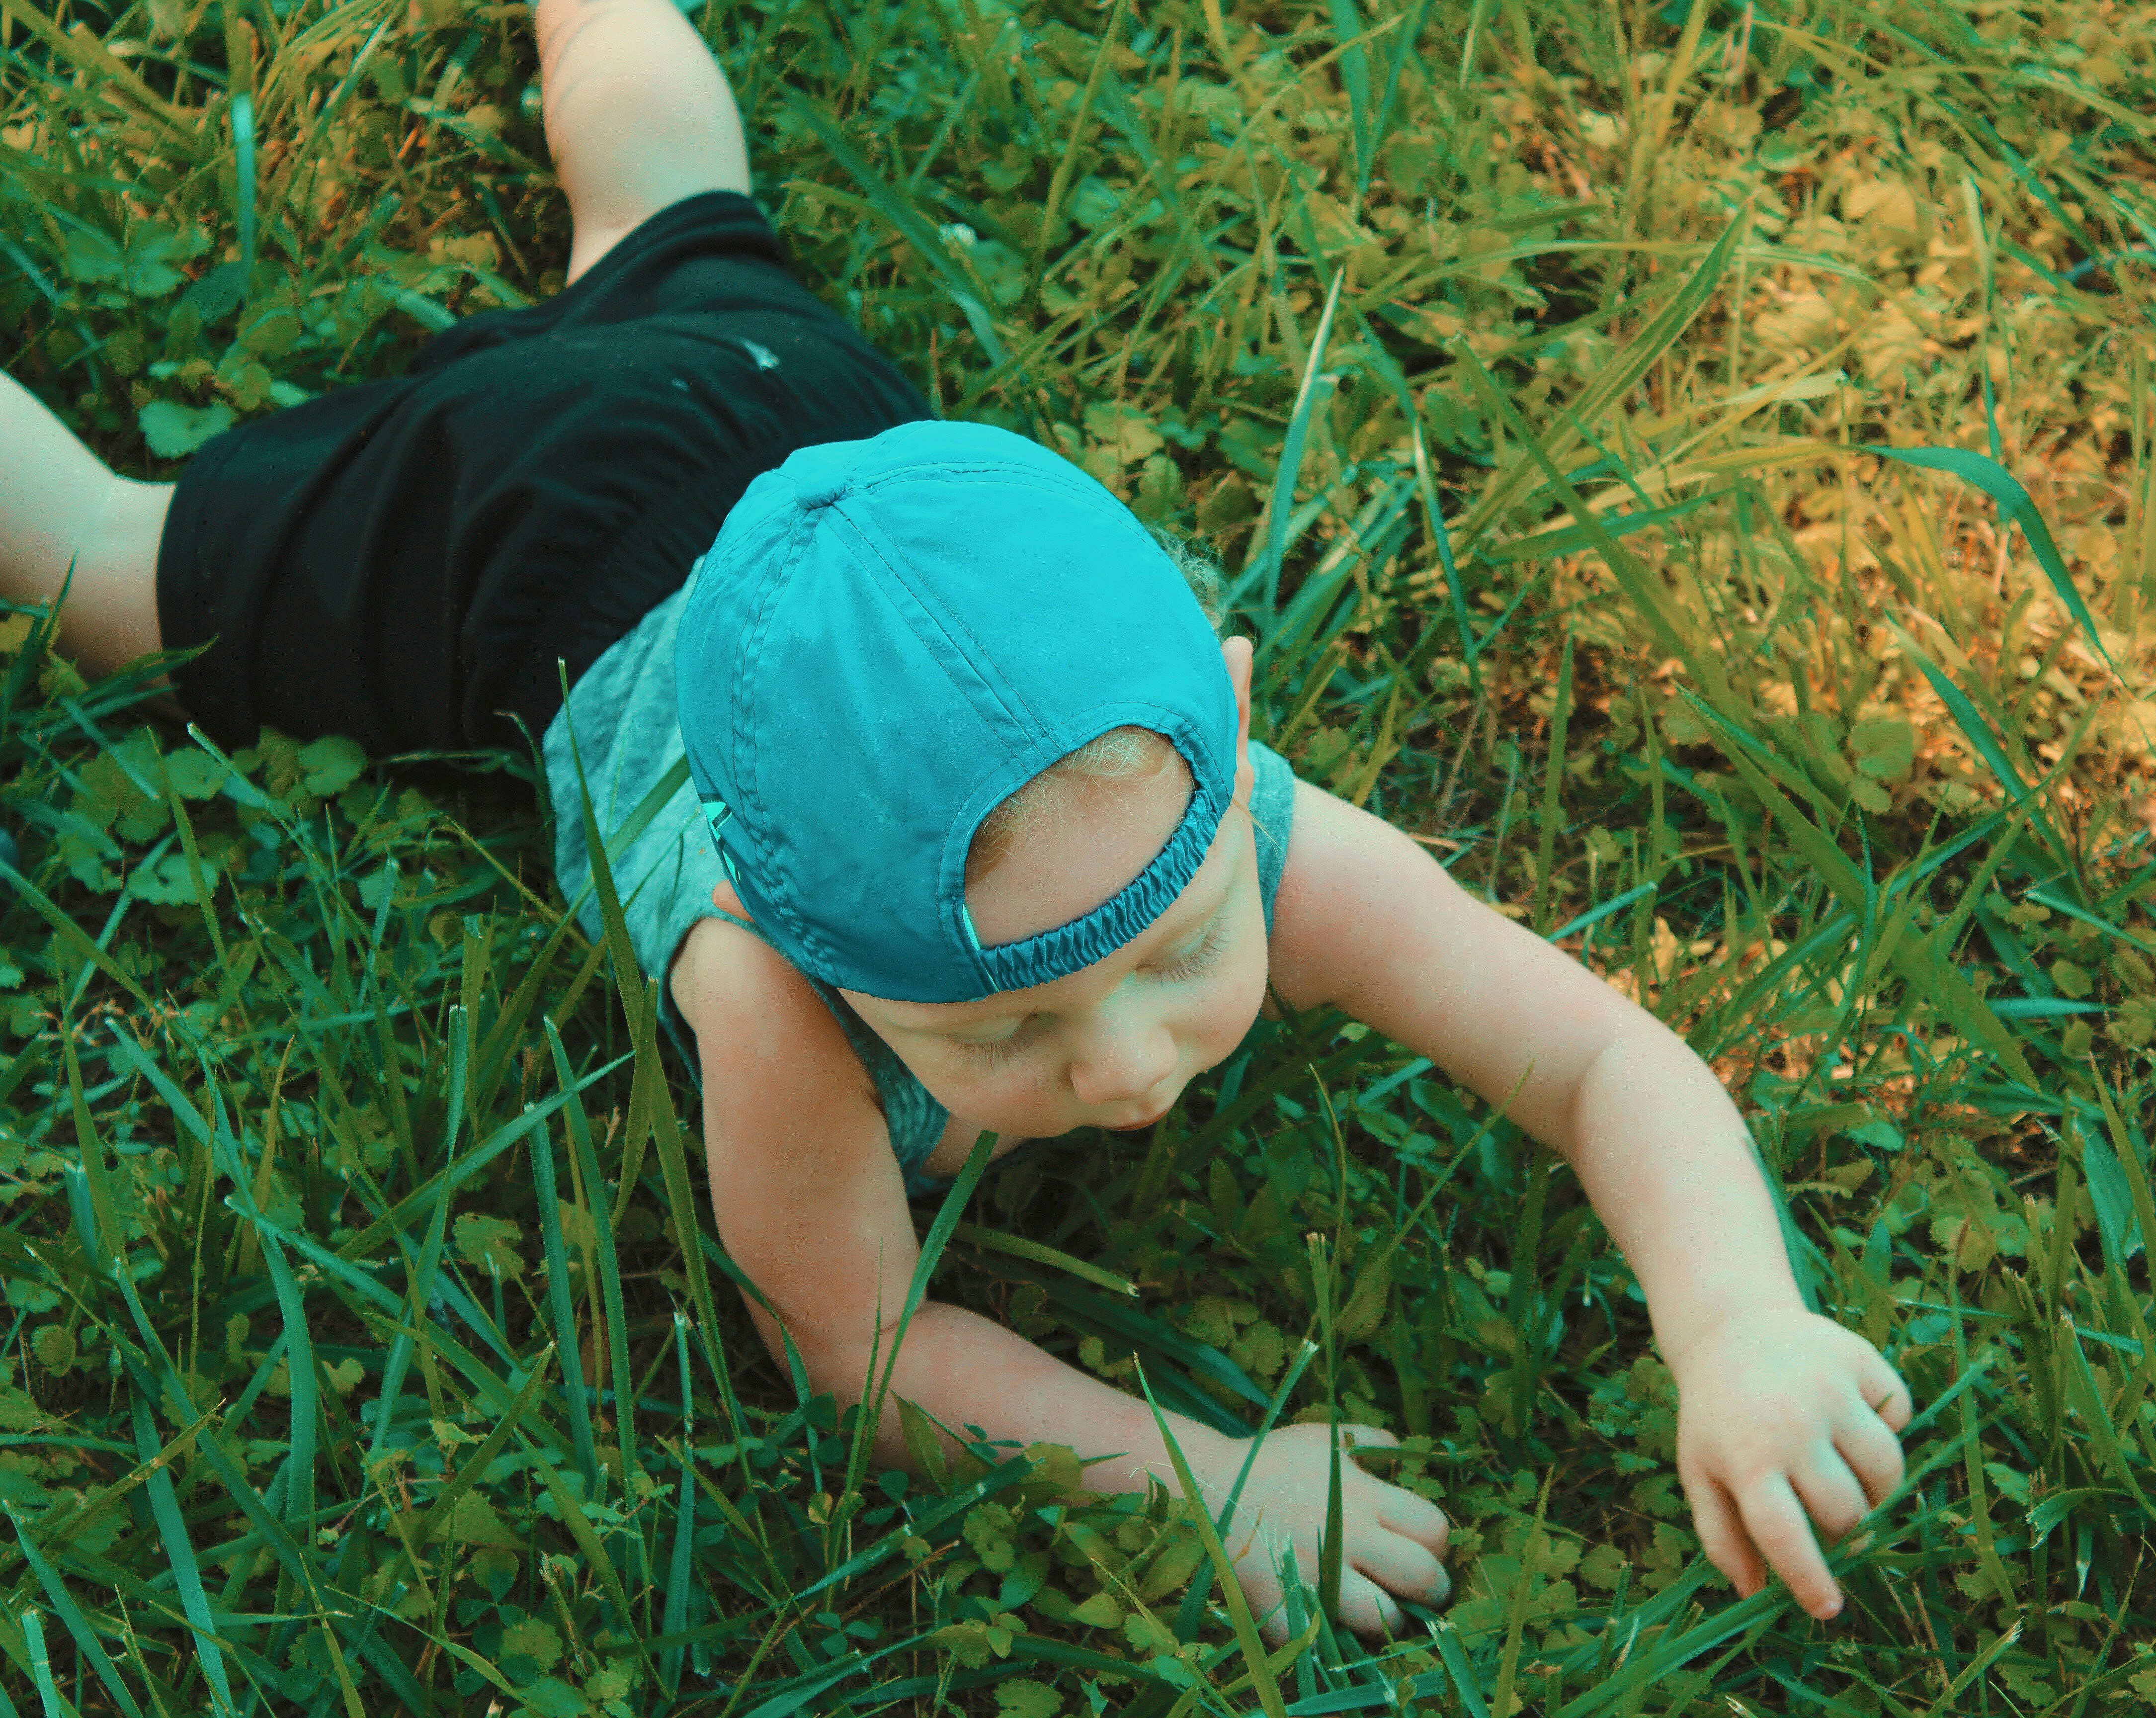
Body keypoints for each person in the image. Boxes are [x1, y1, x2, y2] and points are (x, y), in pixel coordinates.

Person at [0, 0, 1911, 1640]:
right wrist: (1194, 1482)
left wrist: (1740, 1322)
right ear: (788, 921)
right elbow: (855, 1346)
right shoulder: (770, 993)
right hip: (543, 531)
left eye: (1173, 955)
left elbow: (1595, 1058)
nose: (1132, 1063)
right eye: (1001, 1028)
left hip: (791, 420)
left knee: (665, 195)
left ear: (1228, 731)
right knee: (101, 555)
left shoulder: (1235, 824)